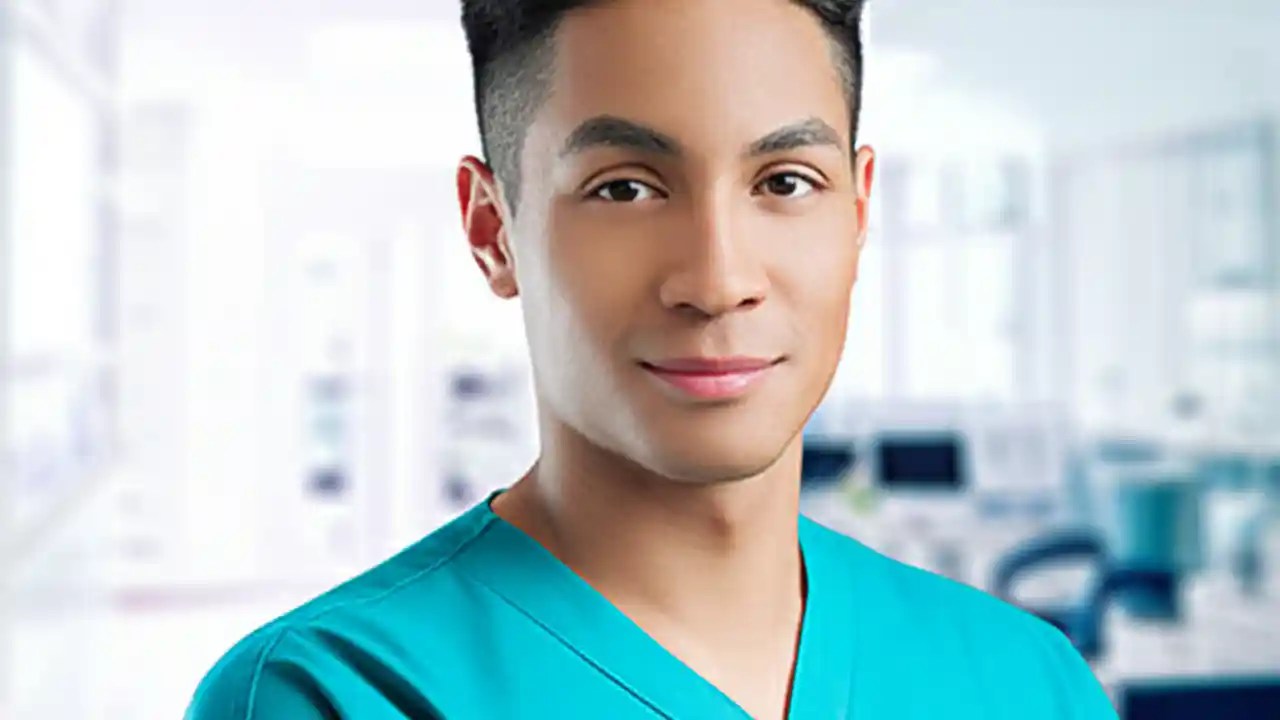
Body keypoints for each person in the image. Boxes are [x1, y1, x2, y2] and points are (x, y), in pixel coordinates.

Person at [187, 0, 1118, 717]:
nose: (718, 280)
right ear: (492, 230)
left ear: (859, 211)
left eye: (786, 182)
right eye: (624, 187)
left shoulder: (1026, 681)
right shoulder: (339, 695)